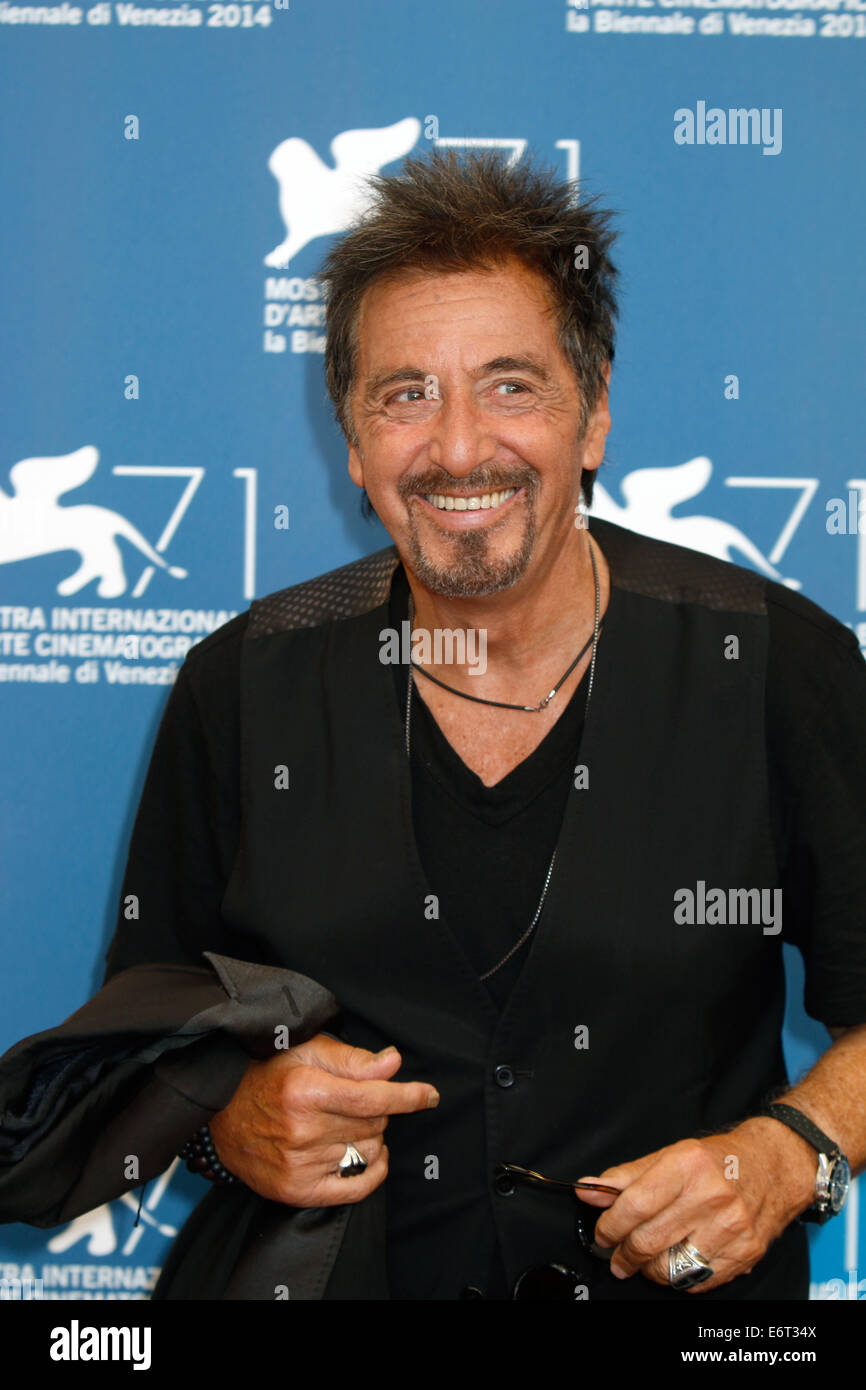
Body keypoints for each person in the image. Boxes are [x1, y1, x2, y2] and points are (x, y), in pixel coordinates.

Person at [6, 149, 866, 1300]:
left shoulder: (771, 663)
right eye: (403, 394)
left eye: (509, 384)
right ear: (352, 444)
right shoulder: (242, 683)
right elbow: (147, 1039)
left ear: (594, 411)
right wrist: (227, 1124)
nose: (458, 447)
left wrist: (785, 1154)